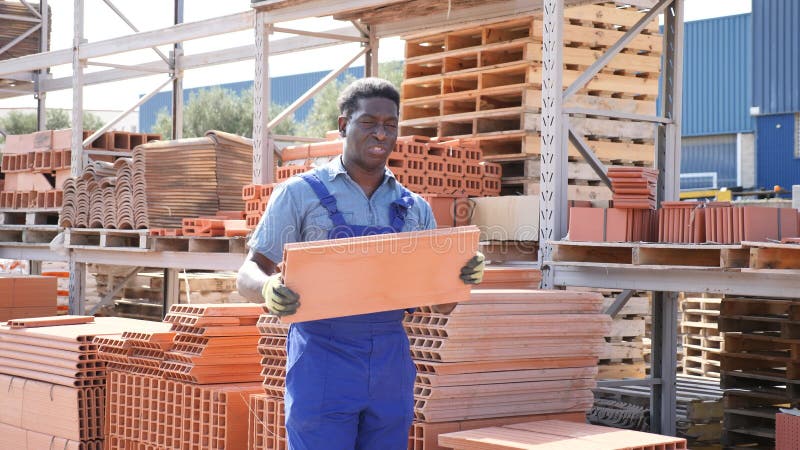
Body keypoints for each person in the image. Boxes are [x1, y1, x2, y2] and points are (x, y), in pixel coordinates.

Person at [237, 77, 484, 450]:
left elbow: (441, 303)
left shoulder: (414, 208)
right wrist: (267, 287)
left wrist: (459, 277)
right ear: (343, 126)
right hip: (321, 360)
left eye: (390, 125)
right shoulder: (300, 195)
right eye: (369, 123)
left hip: (390, 362)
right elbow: (249, 272)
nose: (381, 134)